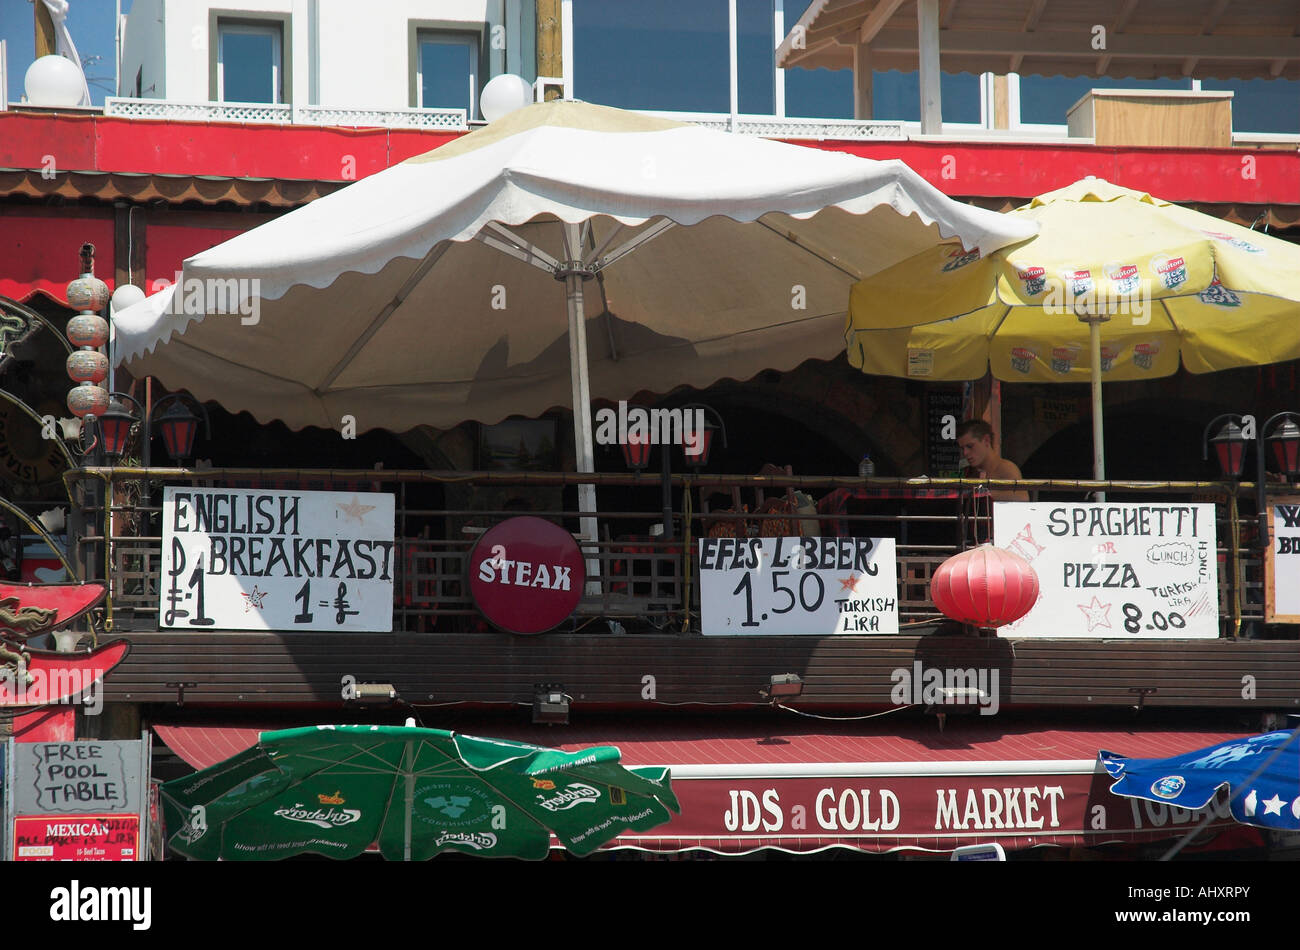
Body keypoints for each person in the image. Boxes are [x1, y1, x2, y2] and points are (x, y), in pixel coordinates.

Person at [955, 419, 1028, 502]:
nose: (965, 453)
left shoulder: (1006, 467)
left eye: (970, 446)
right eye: (962, 448)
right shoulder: (970, 472)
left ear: (986, 440)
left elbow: (1022, 497)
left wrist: (983, 493)